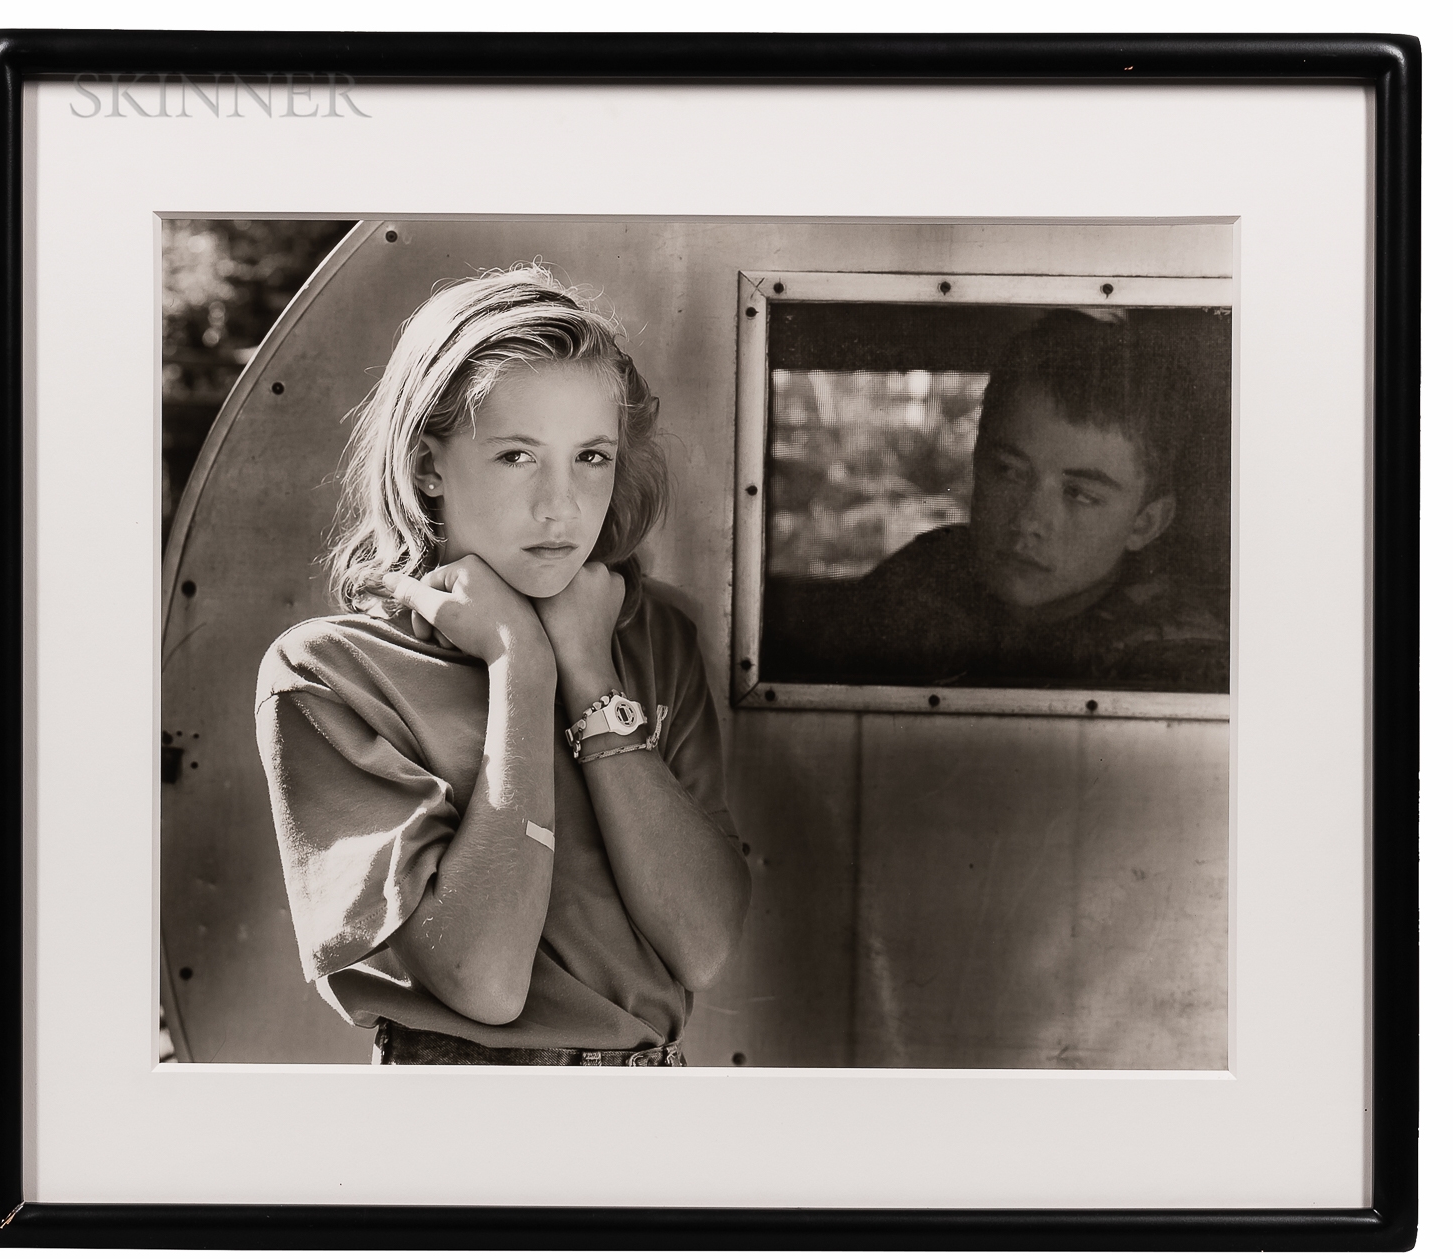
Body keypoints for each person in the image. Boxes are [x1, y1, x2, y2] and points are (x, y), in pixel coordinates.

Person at [254, 266, 751, 1066]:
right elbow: (483, 982)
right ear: (426, 466)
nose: (562, 505)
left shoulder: (651, 638)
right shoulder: (331, 673)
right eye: (518, 456)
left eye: (591, 456)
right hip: (462, 1117)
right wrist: (522, 669)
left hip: (656, 1106)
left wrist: (590, 672)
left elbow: (703, 946)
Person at [791, 310, 1228, 691]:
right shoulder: (923, 576)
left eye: (1079, 494)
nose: (1028, 521)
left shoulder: (1179, 660)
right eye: (1009, 472)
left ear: (1146, 523)